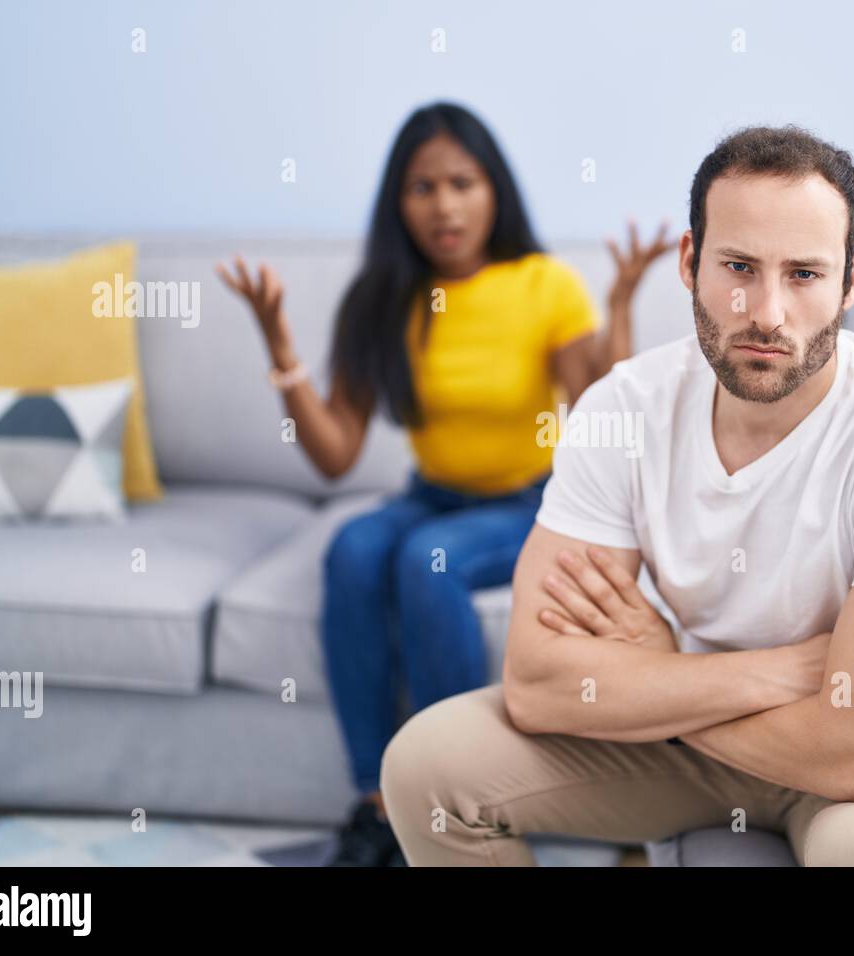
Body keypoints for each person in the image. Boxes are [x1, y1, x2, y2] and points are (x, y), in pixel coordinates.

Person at [378, 124, 854, 866]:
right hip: (695, 717)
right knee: (426, 766)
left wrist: (662, 672)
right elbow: (536, 681)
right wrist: (764, 671)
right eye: (739, 266)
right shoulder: (623, 410)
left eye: (805, 274)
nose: (768, 313)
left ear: (852, 279)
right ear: (690, 262)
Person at [216, 101, 673, 867]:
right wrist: (281, 351)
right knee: (354, 548)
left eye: (462, 181)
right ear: (399, 203)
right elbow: (334, 455)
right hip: (433, 490)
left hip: (528, 498)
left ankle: (460, 792)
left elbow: (601, 412)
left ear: (494, 189)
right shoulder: (383, 298)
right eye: (422, 187)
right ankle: (376, 802)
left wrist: (620, 308)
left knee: (423, 563)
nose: (445, 205)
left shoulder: (542, 284)